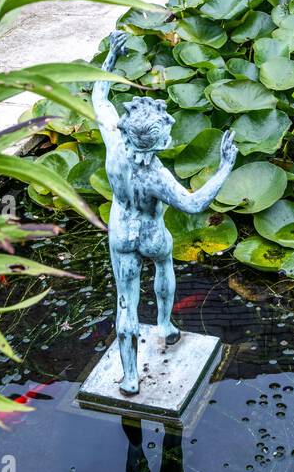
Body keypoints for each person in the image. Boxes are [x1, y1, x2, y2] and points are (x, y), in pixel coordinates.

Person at [93, 30, 237, 395]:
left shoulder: (114, 143)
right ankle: (165, 325)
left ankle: (130, 378)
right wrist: (223, 167)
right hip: (152, 233)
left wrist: (111, 56)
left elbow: (99, 96)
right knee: (164, 266)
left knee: (125, 301)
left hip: (122, 232)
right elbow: (193, 203)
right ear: (156, 141)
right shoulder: (157, 175)